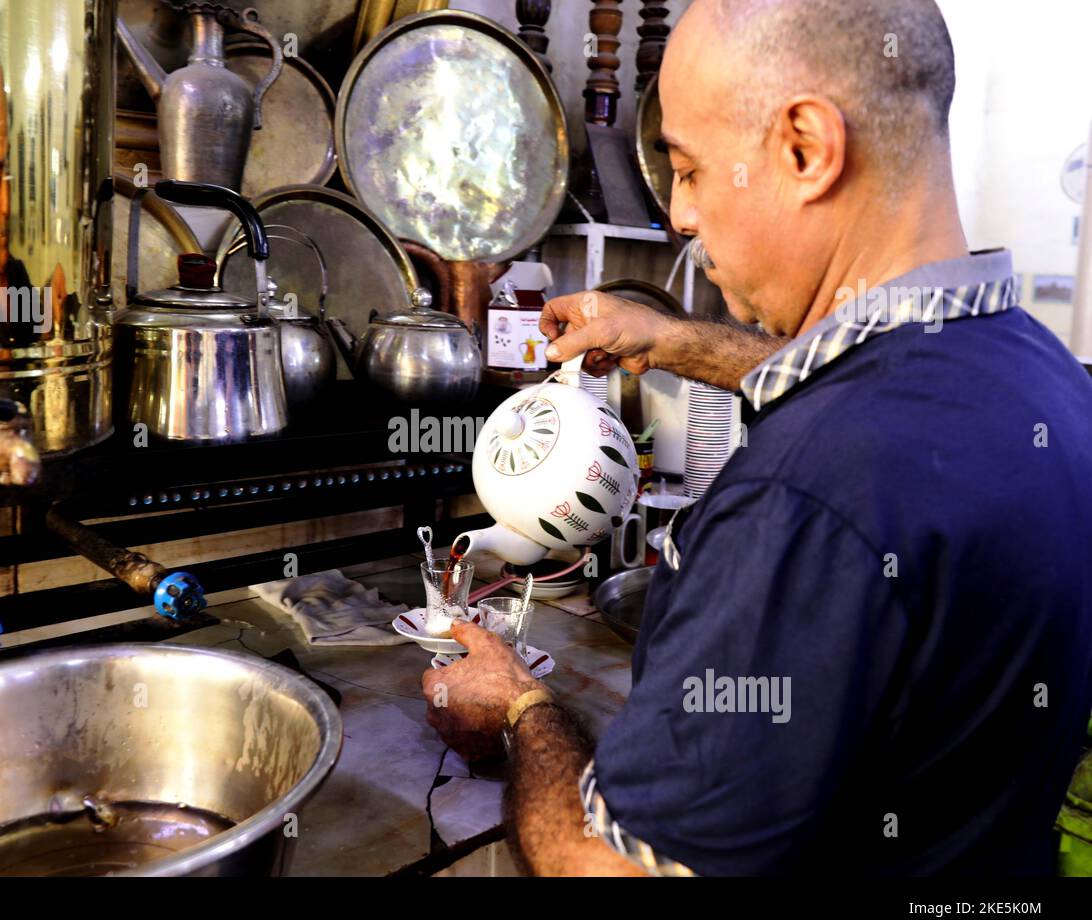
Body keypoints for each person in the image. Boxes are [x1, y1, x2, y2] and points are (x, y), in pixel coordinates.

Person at [422, 0, 1092, 875]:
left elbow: (607, 870)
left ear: (806, 149)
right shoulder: (1046, 379)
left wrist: (520, 712)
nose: (683, 217)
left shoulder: (798, 502)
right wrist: (676, 342)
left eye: (692, 171)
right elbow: (881, 382)